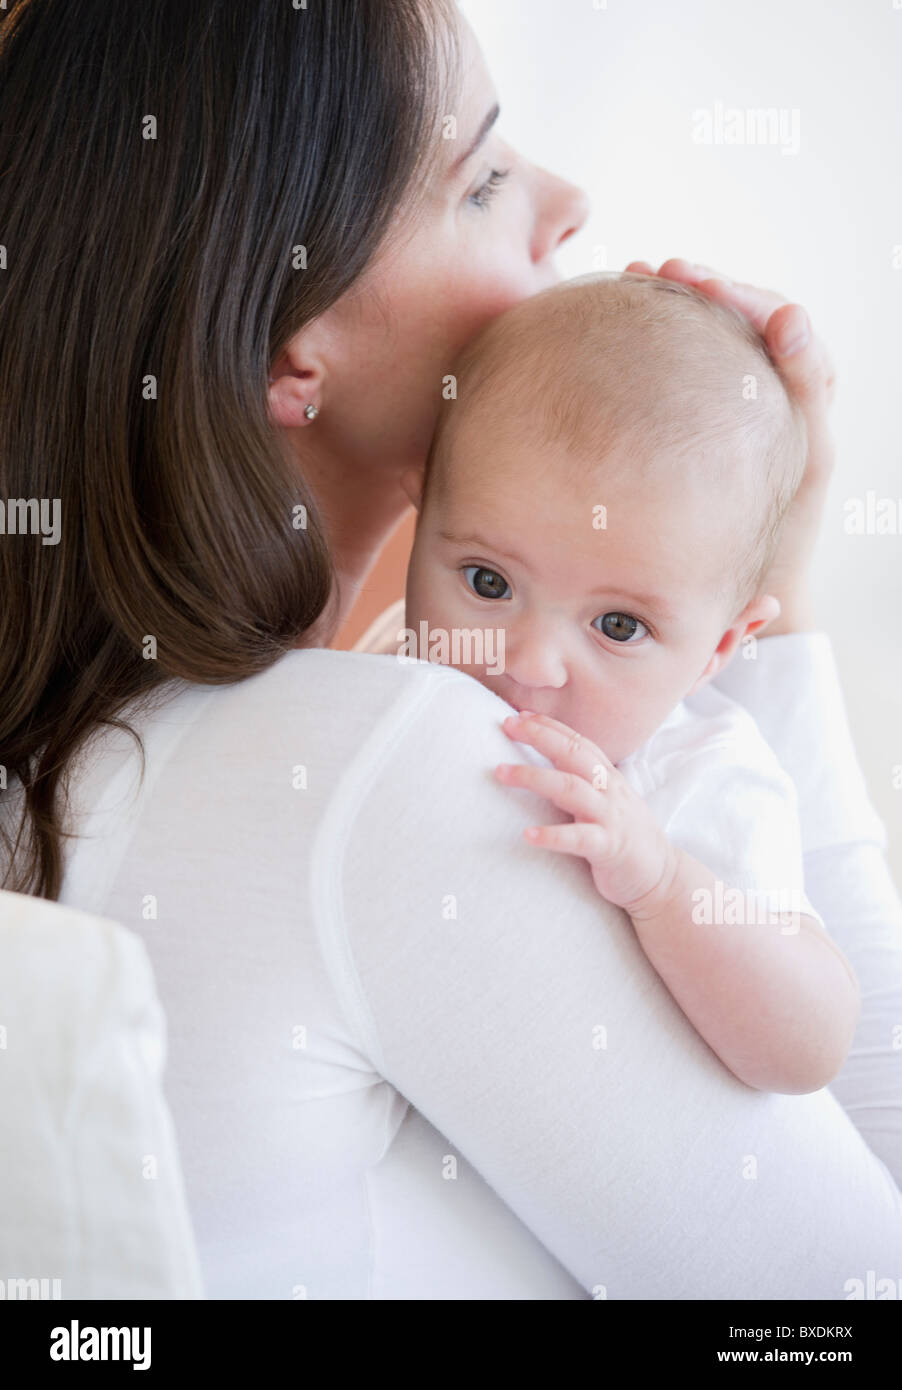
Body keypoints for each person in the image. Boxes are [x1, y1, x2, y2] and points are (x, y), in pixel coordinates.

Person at [1, 0, 900, 1299]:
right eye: (479, 176)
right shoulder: (400, 768)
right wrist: (774, 592)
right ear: (290, 346)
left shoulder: (89, 738)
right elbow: (857, 1272)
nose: (568, 197)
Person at [377, 271, 862, 1097]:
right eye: (488, 582)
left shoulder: (702, 776)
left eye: (619, 627)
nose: (529, 662)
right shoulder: (389, 664)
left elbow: (811, 1048)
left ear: (722, 648)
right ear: (419, 513)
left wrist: (662, 884)